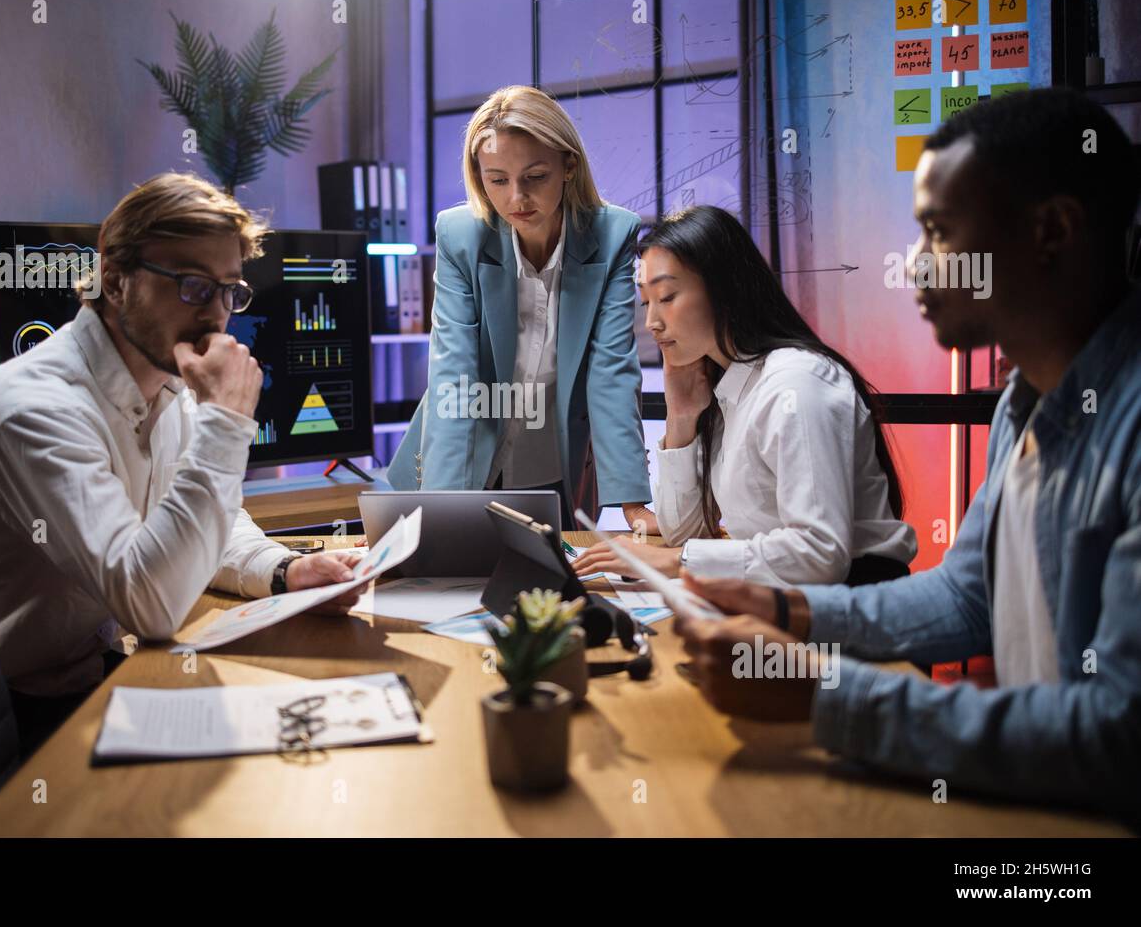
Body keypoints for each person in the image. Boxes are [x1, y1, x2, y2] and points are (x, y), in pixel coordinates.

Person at [674, 88, 1141, 818]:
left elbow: (1119, 734)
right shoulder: (1026, 404)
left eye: (940, 233)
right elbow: (965, 595)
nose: (915, 267)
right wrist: (787, 610)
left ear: (1052, 230)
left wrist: (824, 692)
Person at [0, 172, 364, 753]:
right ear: (115, 280)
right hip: (0, 720)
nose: (216, 314)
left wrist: (284, 570)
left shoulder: (166, 387)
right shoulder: (33, 410)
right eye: (191, 285)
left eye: (228, 289)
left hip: (93, 672)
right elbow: (152, 605)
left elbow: (208, 524)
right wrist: (227, 422)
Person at [573, 205, 916, 585]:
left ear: (725, 289)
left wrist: (674, 561)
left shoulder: (796, 384)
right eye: (646, 302)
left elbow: (820, 555)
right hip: (780, 601)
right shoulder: (728, 385)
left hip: (850, 612)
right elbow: (684, 533)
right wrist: (682, 418)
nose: (652, 322)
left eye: (667, 296)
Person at [387, 85, 652, 528]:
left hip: (549, 462)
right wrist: (440, 508)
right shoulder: (460, 235)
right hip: (453, 462)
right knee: (443, 588)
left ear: (568, 165)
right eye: (498, 180)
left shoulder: (613, 235)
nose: (516, 199)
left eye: (534, 177)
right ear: (479, 176)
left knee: (542, 594)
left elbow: (611, 373)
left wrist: (631, 502)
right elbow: (454, 375)